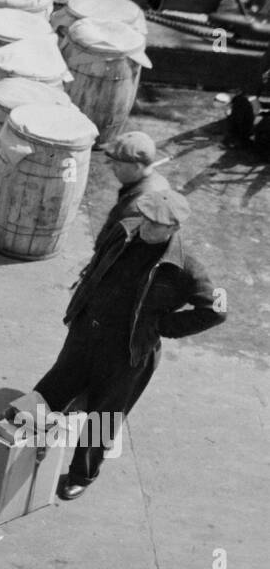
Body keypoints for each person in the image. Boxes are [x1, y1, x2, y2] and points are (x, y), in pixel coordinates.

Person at [35, 190, 227, 501]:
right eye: (146, 218)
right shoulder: (124, 230)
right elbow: (97, 266)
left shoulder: (186, 267)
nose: (146, 227)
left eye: (157, 225)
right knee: (51, 391)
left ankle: (81, 475)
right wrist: (78, 309)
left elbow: (218, 309)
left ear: (174, 229)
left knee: (103, 417)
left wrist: (163, 327)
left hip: (128, 354)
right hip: (85, 335)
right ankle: (23, 452)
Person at [97, 132, 172, 246]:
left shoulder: (139, 206)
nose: (112, 168)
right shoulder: (157, 180)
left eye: (118, 164)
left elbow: (121, 249)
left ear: (137, 167)